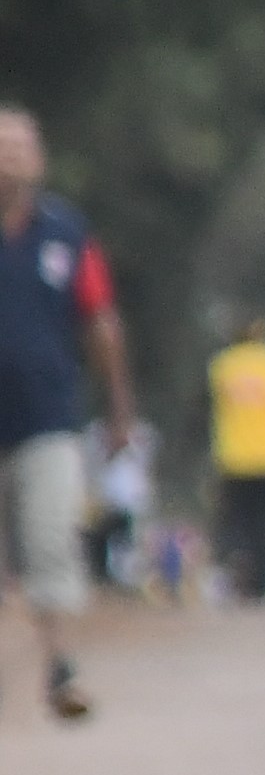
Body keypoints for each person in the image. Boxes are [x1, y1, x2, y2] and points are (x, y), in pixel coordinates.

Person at [0, 102, 131, 720]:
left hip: (47, 417)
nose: (12, 156)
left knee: (51, 541)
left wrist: (119, 407)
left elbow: (100, 320)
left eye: (22, 145)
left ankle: (59, 664)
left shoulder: (66, 233)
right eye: (3, 146)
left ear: (40, 158)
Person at [206, 311, 265, 602]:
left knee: (237, 521)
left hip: (233, 457)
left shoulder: (222, 365)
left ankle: (239, 575)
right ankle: (262, 581)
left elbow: (208, 410)